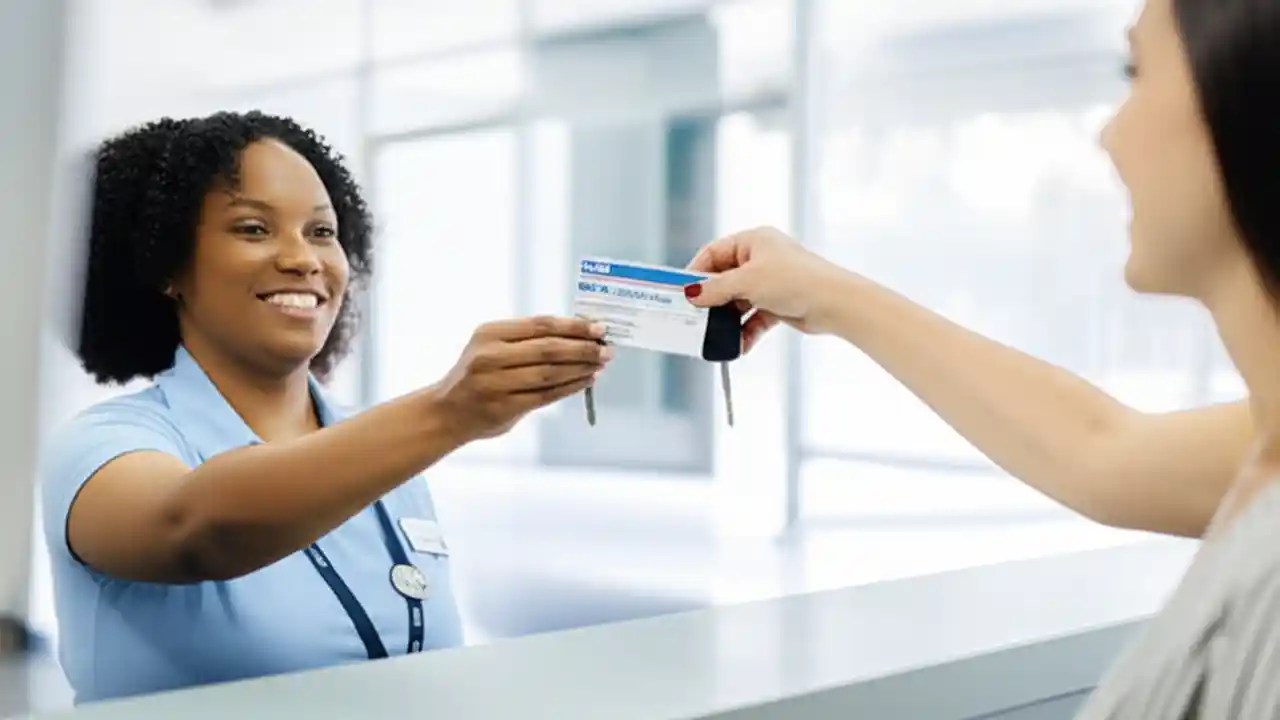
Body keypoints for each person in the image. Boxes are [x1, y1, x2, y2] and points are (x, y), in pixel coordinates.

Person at [686, 0, 1280, 716]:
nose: (1109, 135)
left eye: (1136, 71)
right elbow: (1101, 450)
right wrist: (824, 293)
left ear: (1247, 94)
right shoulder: (1263, 455)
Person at [40, 111, 613, 703]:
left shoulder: (389, 457)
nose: (304, 259)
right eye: (254, 229)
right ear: (168, 266)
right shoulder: (100, 445)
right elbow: (196, 528)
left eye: (321, 232)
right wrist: (451, 411)